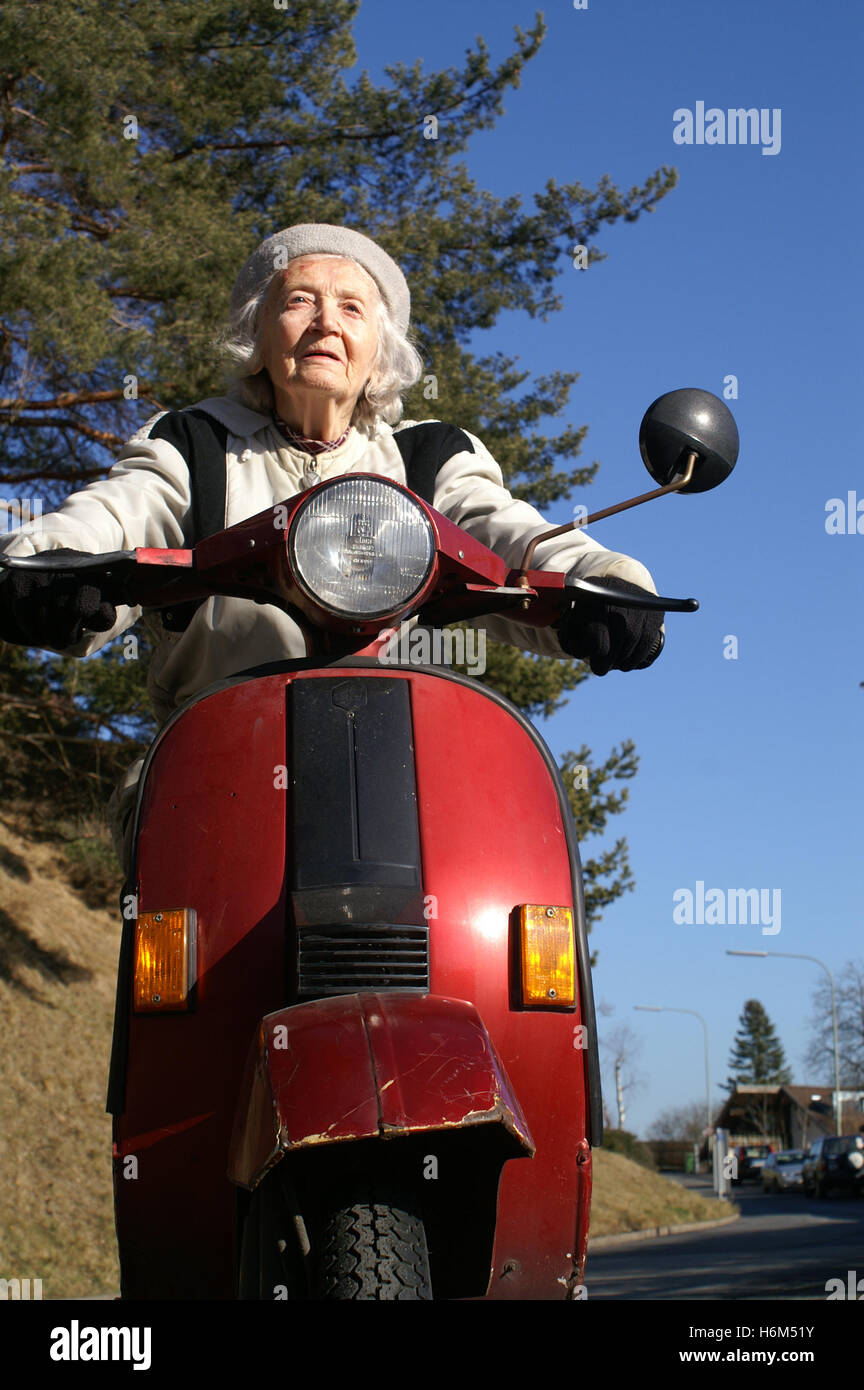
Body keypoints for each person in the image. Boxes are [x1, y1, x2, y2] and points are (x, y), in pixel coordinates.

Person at [0, 224, 663, 873]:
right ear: (255, 337)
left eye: (352, 307)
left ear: (382, 351)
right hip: (213, 772)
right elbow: (118, 512)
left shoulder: (427, 459)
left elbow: (508, 532)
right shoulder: (194, 443)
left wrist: (607, 581)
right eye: (297, 301)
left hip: (401, 784)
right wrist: (47, 560)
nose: (326, 323)